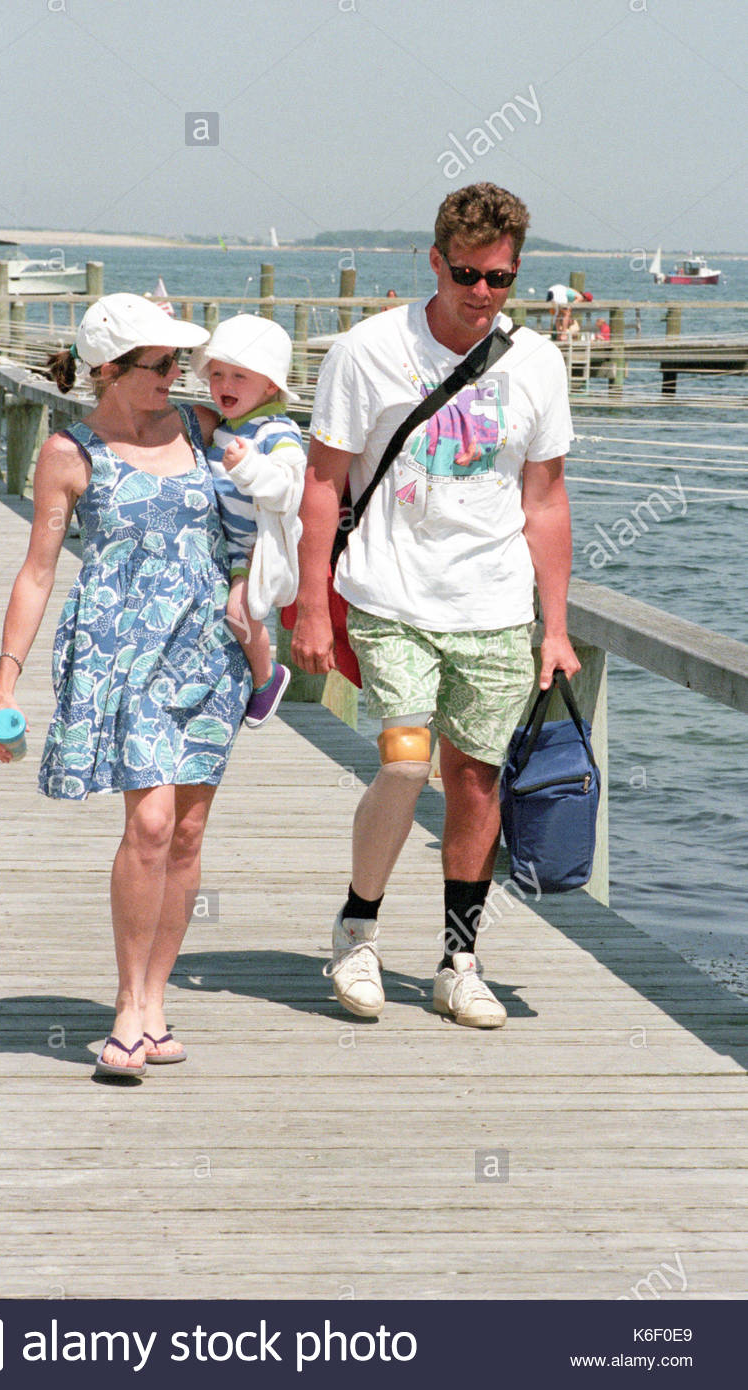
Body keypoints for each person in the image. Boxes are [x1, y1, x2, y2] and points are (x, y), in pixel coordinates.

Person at [292, 182, 579, 1029]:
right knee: (407, 761)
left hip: (493, 604)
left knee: (476, 781)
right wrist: (312, 602)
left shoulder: (535, 362)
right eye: (465, 273)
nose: (480, 293)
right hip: (387, 593)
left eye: (499, 278)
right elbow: (320, 481)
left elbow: (547, 500)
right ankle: (357, 929)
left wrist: (554, 627)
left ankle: (458, 958)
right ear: (433, 260)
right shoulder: (367, 350)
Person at [0, 293, 251, 1078]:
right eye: (161, 363)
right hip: (118, 650)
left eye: (178, 362)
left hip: (208, 652)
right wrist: (5, 687)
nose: (178, 374)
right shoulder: (71, 453)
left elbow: (287, 475)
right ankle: (128, 1005)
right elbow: (37, 573)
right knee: (151, 826)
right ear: (109, 370)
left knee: (190, 831)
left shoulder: (206, 429)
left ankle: (157, 1002)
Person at [191, 315, 305, 726]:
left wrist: (250, 468)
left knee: (239, 610)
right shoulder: (224, 427)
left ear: (271, 385)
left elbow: (291, 487)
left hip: (253, 547)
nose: (225, 384)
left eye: (240, 375)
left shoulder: (276, 430)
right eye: (217, 373)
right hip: (222, 545)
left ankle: (267, 676)